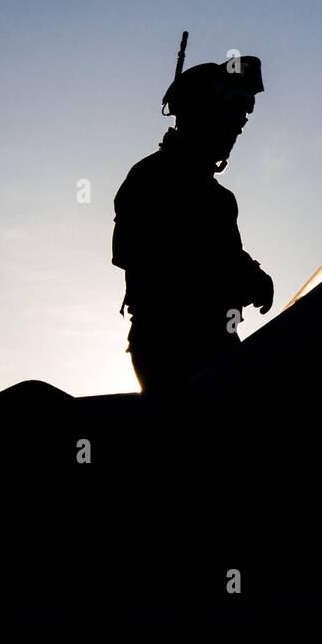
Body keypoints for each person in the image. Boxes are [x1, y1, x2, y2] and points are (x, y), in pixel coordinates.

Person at [112, 53, 274, 394]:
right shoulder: (151, 178)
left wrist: (250, 275)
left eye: (239, 122)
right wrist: (235, 275)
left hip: (219, 344)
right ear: (196, 114)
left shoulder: (219, 199)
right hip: (170, 348)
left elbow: (224, 255)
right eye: (229, 119)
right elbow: (137, 254)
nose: (237, 130)